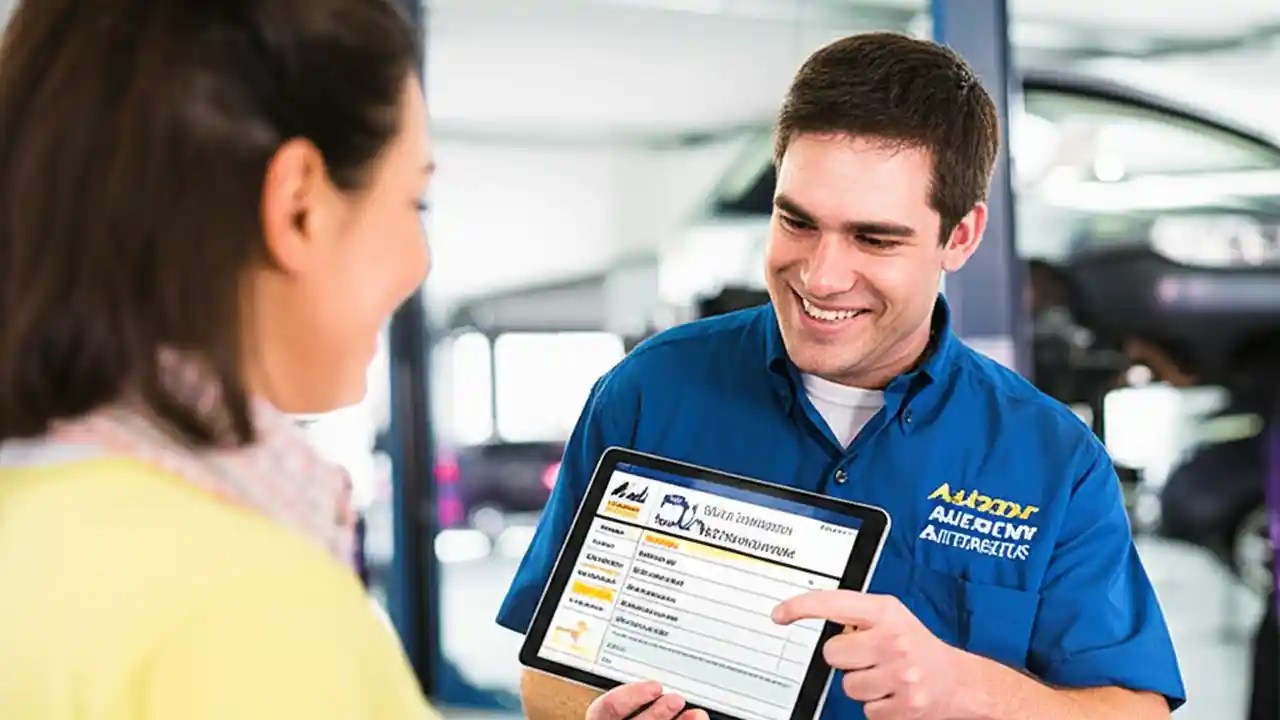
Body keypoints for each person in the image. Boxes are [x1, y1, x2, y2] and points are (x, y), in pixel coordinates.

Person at [0, 2, 700, 720]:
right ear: (299, 204)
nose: (418, 263)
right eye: (413, 203)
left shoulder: (34, 517)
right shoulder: (251, 609)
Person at [499, 32, 1186, 720]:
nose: (821, 277)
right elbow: (550, 672)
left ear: (962, 237)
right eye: (795, 221)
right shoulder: (649, 394)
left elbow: (1135, 710)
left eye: (874, 238)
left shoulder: (1051, 459)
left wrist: (964, 689)